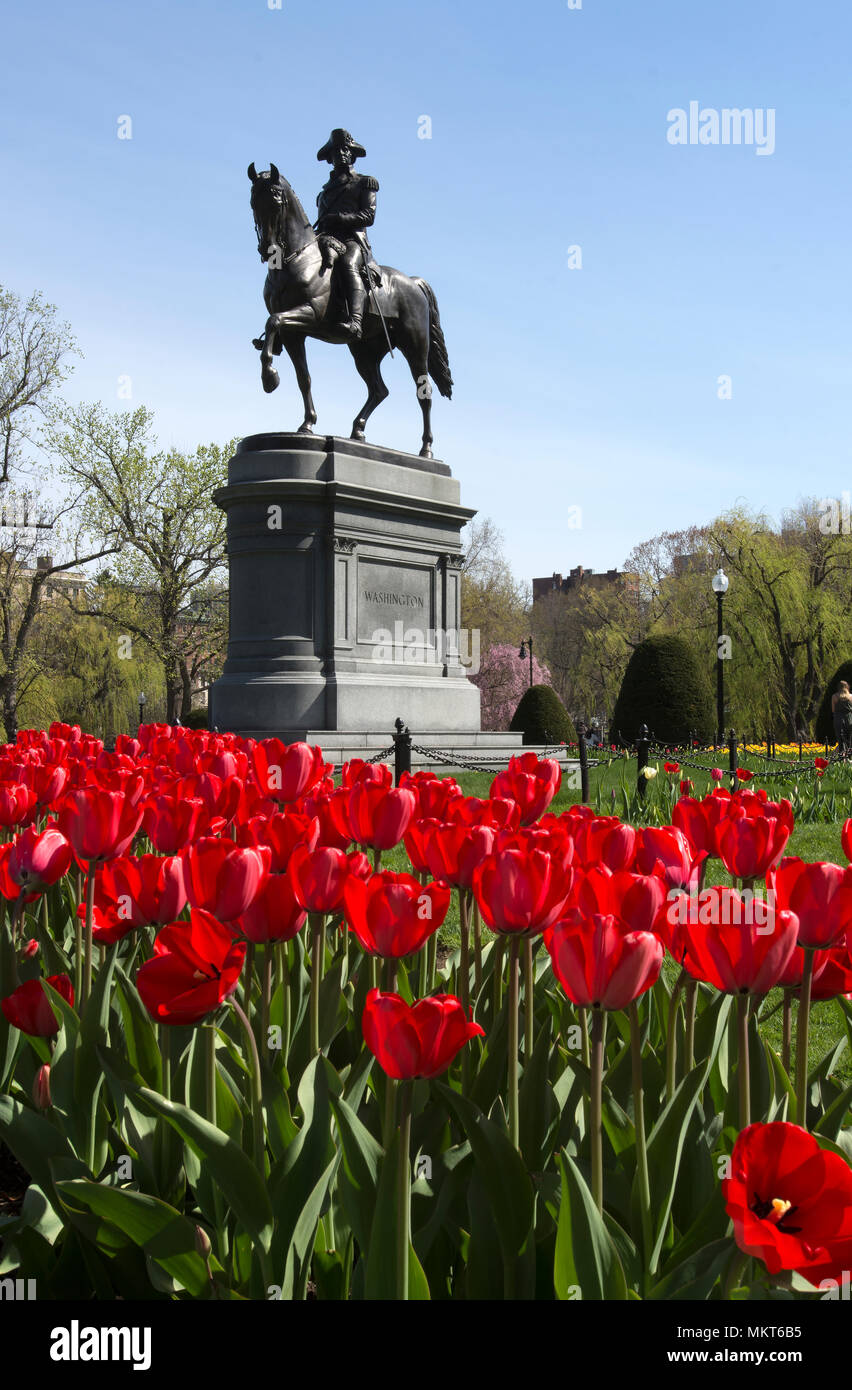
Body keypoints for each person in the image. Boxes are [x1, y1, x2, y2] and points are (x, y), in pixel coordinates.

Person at [314, 128, 379, 340]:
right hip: (327, 239)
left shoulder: (364, 182)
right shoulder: (323, 193)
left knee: (347, 264)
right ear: (330, 158)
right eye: (336, 151)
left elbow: (368, 216)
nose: (341, 154)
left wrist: (340, 219)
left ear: (352, 155)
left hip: (353, 240)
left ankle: (356, 322)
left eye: (345, 150)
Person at [831, 680, 852, 757]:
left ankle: (841, 757)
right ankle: (848, 757)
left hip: (838, 719)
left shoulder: (834, 696)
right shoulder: (851, 697)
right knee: (848, 740)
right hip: (849, 719)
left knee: (840, 740)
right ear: (847, 687)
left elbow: (833, 710)